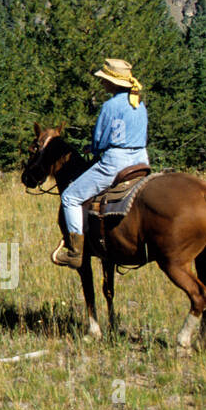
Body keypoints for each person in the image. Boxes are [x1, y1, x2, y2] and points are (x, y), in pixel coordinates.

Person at [53, 58, 149, 268]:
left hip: (116, 161)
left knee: (70, 197)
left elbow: (100, 138)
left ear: (114, 83)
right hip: (141, 159)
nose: (102, 83)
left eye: (105, 80)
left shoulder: (110, 105)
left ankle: (75, 252)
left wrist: (93, 148)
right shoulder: (138, 102)